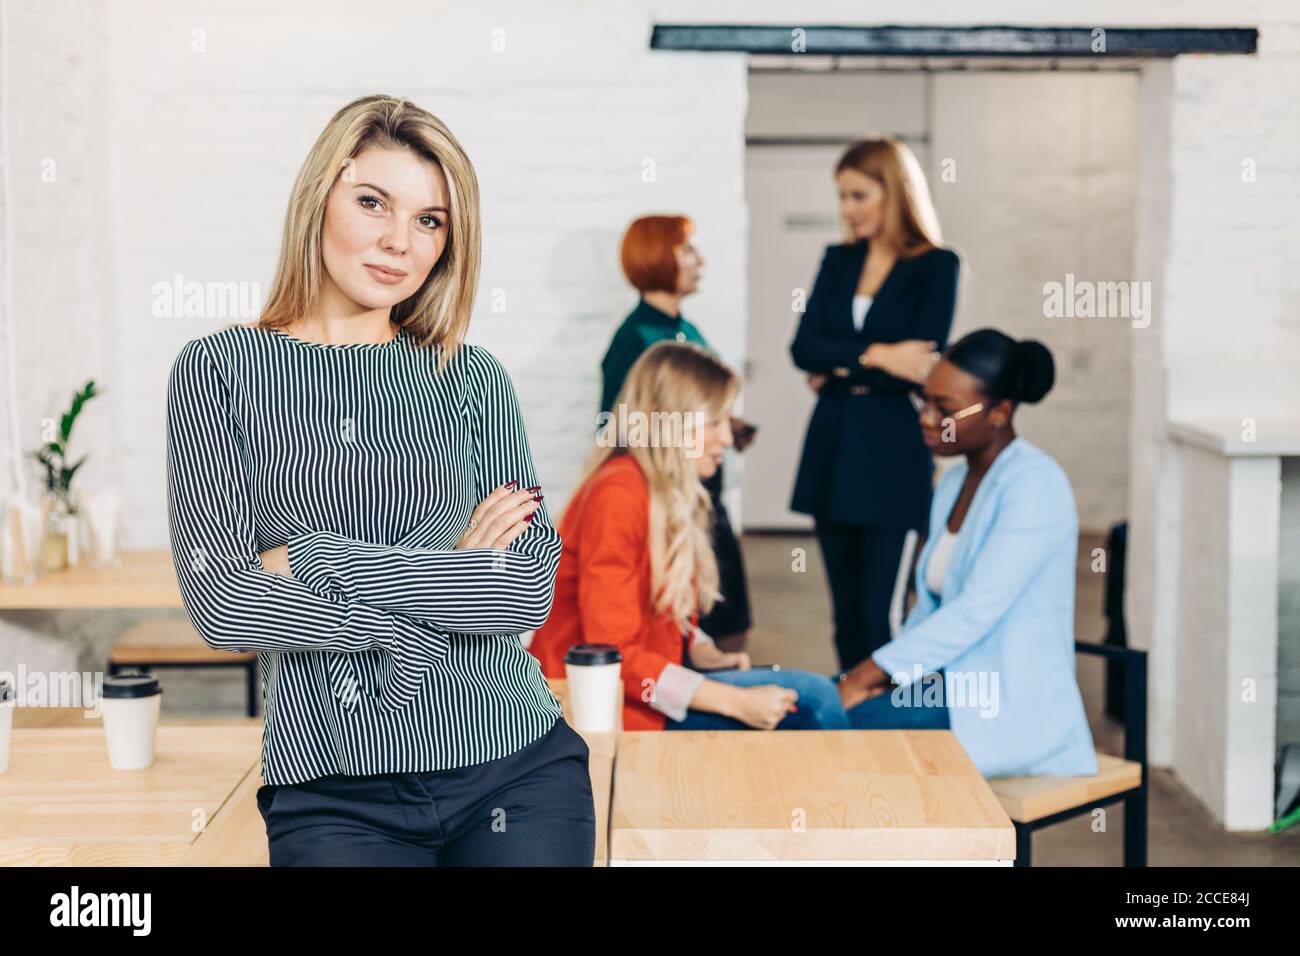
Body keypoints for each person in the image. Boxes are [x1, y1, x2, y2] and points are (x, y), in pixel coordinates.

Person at [165, 94, 595, 866]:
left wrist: (315, 559)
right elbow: (224, 607)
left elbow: (524, 590)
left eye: (430, 220)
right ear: (320, 198)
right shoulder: (217, 373)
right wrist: (441, 582)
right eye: (373, 203)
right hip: (332, 793)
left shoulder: (467, 375)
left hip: (514, 763)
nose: (400, 242)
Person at [531, 342, 847, 732]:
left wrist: (698, 648)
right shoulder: (617, 496)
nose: (727, 439)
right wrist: (735, 701)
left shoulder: (655, 490)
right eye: (715, 422)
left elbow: (652, 608)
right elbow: (614, 653)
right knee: (814, 701)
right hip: (603, 709)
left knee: (815, 696)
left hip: (642, 694)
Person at [838, 330, 1098, 778]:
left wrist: (865, 677)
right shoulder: (954, 483)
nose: (926, 418)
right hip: (947, 683)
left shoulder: (1036, 484)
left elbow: (976, 609)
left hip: (1003, 701)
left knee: (840, 732)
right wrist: (885, 676)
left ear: (1000, 412)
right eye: (925, 402)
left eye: (946, 409)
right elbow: (931, 610)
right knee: (813, 710)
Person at [790, 136, 960, 671]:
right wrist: (881, 355)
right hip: (833, 443)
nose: (848, 210)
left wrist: (841, 364)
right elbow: (803, 347)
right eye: (842, 197)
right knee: (843, 613)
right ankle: (847, 720)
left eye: (859, 195)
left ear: (894, 192)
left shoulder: (936, 266)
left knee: (879, 611)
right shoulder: (838, 260)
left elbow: (924, 360)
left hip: (891, 448)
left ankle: (884, 725)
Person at [599, 215, 753, 651]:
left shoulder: (689, 330)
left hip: (703, 494)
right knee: (700, 625)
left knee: (729, 619)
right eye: (688, 251)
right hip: (671, 497)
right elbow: (615, 429)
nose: (699, 260)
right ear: (656, 257)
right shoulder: (634, 339)